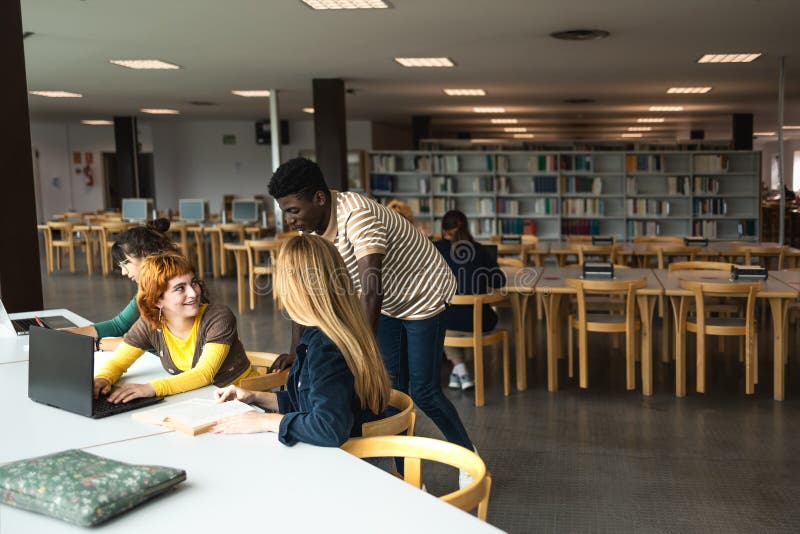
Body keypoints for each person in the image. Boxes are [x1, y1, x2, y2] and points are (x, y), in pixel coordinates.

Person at [267, 158, 474, 454]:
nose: (290, 220)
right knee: (391, 393)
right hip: (388, 302)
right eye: (285, 212)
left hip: (423, 294)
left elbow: (371, 291)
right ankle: (404, 473)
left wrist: (358, 353)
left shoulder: (357, 215)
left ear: (319, 198)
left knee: (424, 391)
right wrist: (295, 351)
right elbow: (306, 294)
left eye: (293, 211)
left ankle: (468, 454)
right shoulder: (308, 227)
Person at [211, 234, 392, 447]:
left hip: (352, 461)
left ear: (298, 288)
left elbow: (328, 427)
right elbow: (309, 401)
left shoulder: (326, 347)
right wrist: (254, 397)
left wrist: (264, 420)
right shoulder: (336, 331)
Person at [93, 251, 255, 403]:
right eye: (180, 288)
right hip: (205, 401)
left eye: (194, 283)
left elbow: (204, 374)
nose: (193, 293)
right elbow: (118, 362)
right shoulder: (151, 323)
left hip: (247, 402)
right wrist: (103, 379)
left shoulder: (218, 316)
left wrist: (151, 388)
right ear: (157, 300)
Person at [67, 219, 176, 351]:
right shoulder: (148, 290)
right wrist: (68, 334)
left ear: (145, 254)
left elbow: (152, 342)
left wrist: (98, 344)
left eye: (125, 264)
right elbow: (118, 326)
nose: (124, 272)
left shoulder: (175, 290)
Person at [434, 210, 507, 390]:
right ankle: (460, 371)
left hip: (447, 325)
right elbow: (500, 281)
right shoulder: (479, 250)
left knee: (441, 321)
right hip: (479, 324)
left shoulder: (435, 249)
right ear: (466, 227)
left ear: (443, 230)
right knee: (463, 319)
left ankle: (459, 369)